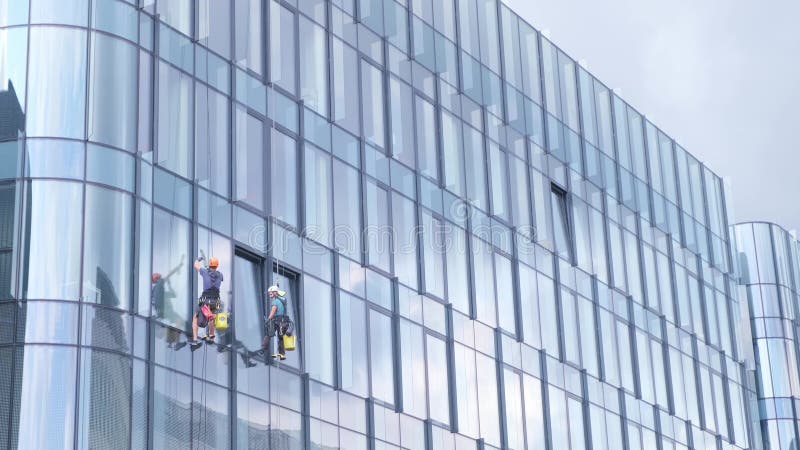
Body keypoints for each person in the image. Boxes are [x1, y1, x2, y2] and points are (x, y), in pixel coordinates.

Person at [190, 256, 224, 345]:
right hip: (215, 301)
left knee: (195, 317)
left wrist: (198, 259)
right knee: (211, 318)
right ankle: (211, 339)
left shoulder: (205, 272)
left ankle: (195, 340)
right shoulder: (220, 275)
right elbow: (217, 278)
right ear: (217, 265)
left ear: (210, 265)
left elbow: (195, 265)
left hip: (205, 300)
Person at [262, 285, 292, 360]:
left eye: (271, 292)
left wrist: (268, 320)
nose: (270, 294)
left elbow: (273, 312)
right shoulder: (283, 300)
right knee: (281, 338)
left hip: (278, 322)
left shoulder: (275, 301)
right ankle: (282, 354)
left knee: (269, 334)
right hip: (284, 322)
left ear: (275, 292)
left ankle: (263, 349)